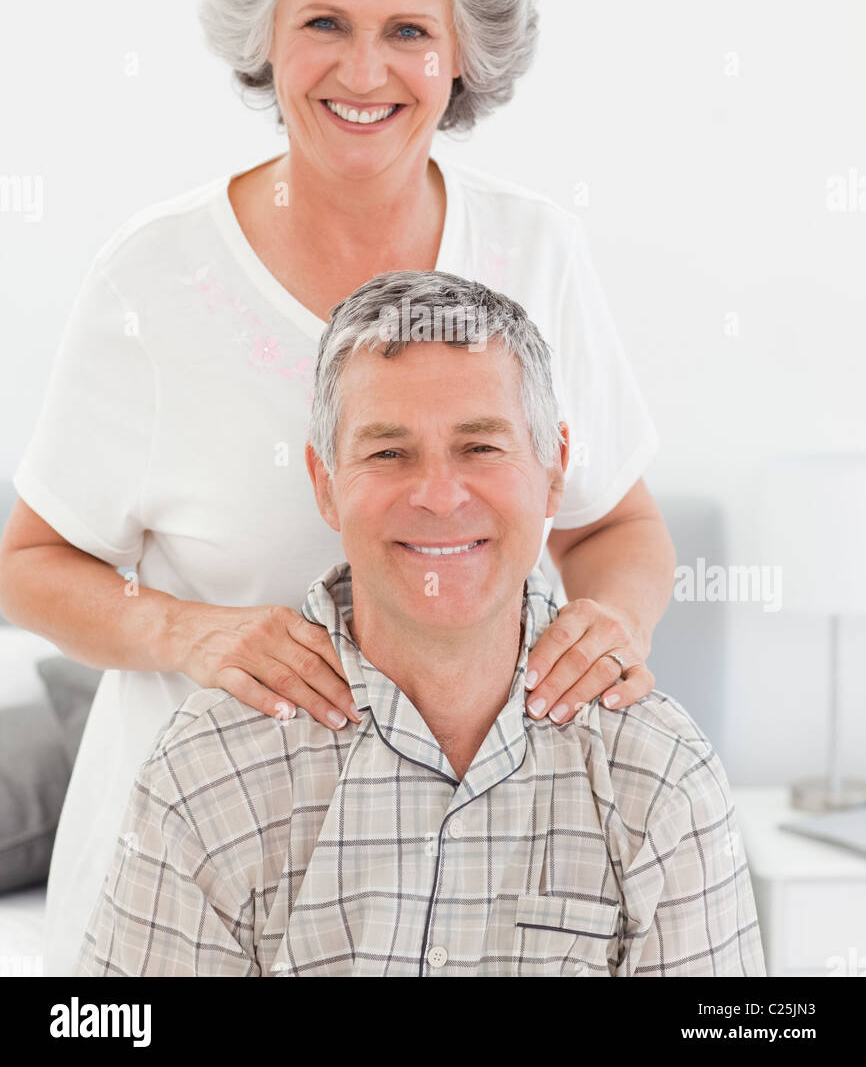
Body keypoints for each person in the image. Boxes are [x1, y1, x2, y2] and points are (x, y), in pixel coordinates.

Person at [0, 0, 675, 977]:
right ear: (267, 33)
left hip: (456, 897)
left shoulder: (534, 253)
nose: (362, 72)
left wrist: (607, 621)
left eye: (406, 31)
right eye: (325, 22)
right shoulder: (151, 279)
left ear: (461, 55)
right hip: (188, 876)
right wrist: (193, 633)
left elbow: (615, 522)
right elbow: (26, 563)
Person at [77, 271, 764, 978]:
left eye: (481, 447)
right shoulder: (208, 772)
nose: (438, 496)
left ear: (554, 469)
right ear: (326, 485)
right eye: (388, 453)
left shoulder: (660, 775)